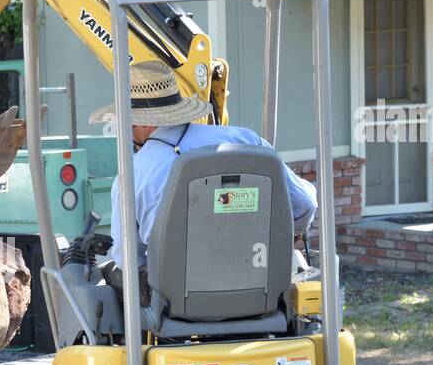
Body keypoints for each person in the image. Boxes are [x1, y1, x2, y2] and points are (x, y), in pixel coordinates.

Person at [99, 60, 317, 273]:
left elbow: (127, 260)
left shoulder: (131, 175)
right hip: (261, 298)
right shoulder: (246, 140)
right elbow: (305, 203)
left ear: (143, 122)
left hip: (176, 305)